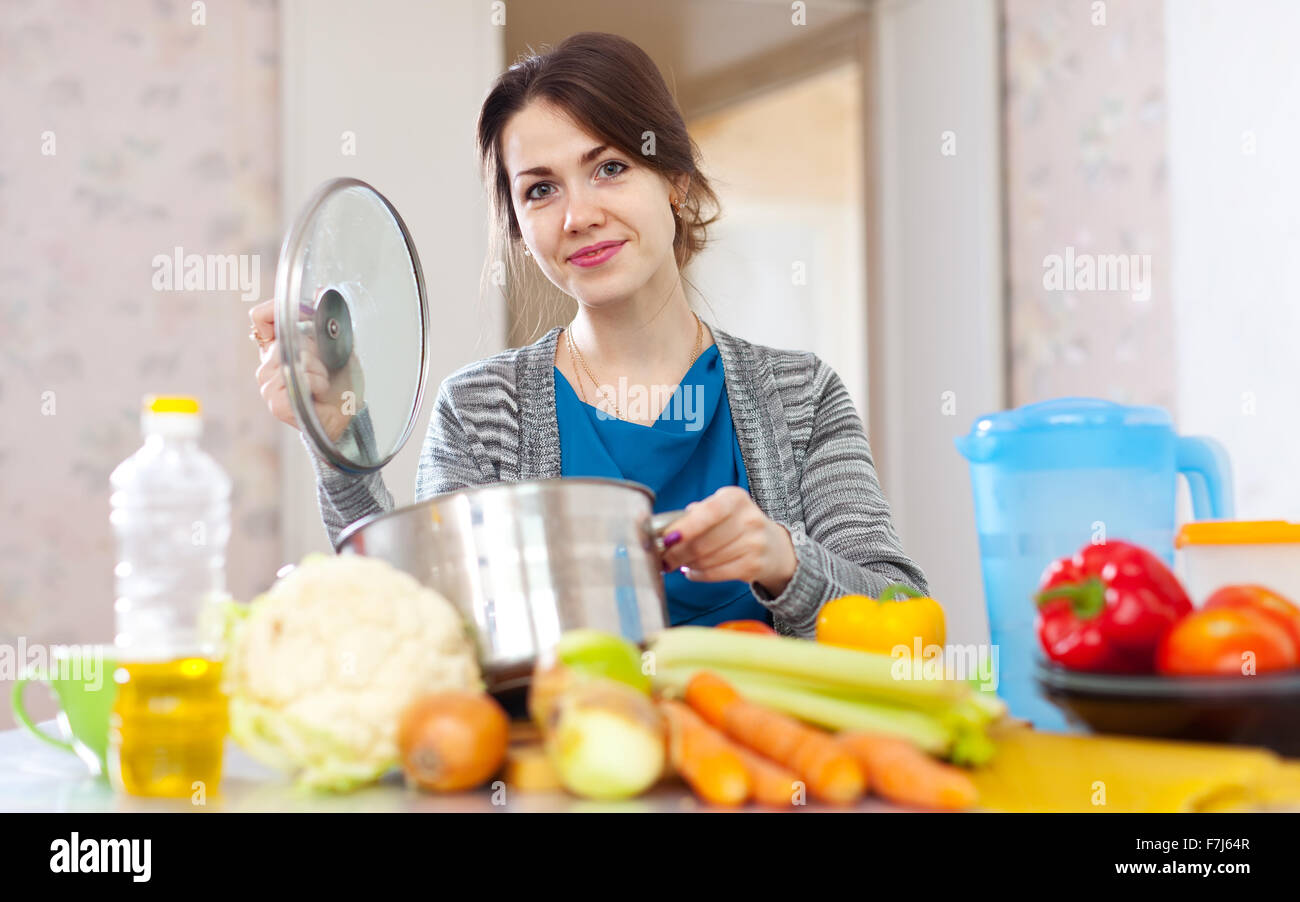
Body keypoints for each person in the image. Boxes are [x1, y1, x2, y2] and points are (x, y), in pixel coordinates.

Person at [250, 31, 928, 637]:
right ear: (520, 229)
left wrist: (784, 559)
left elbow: (903, 617)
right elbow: (422, 634)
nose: (578, 215)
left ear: (676, 182)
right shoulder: (482, 410)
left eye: (609, 168)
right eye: (540, 190)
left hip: (772, 773)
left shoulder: (800, 394)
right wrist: (339, 439)